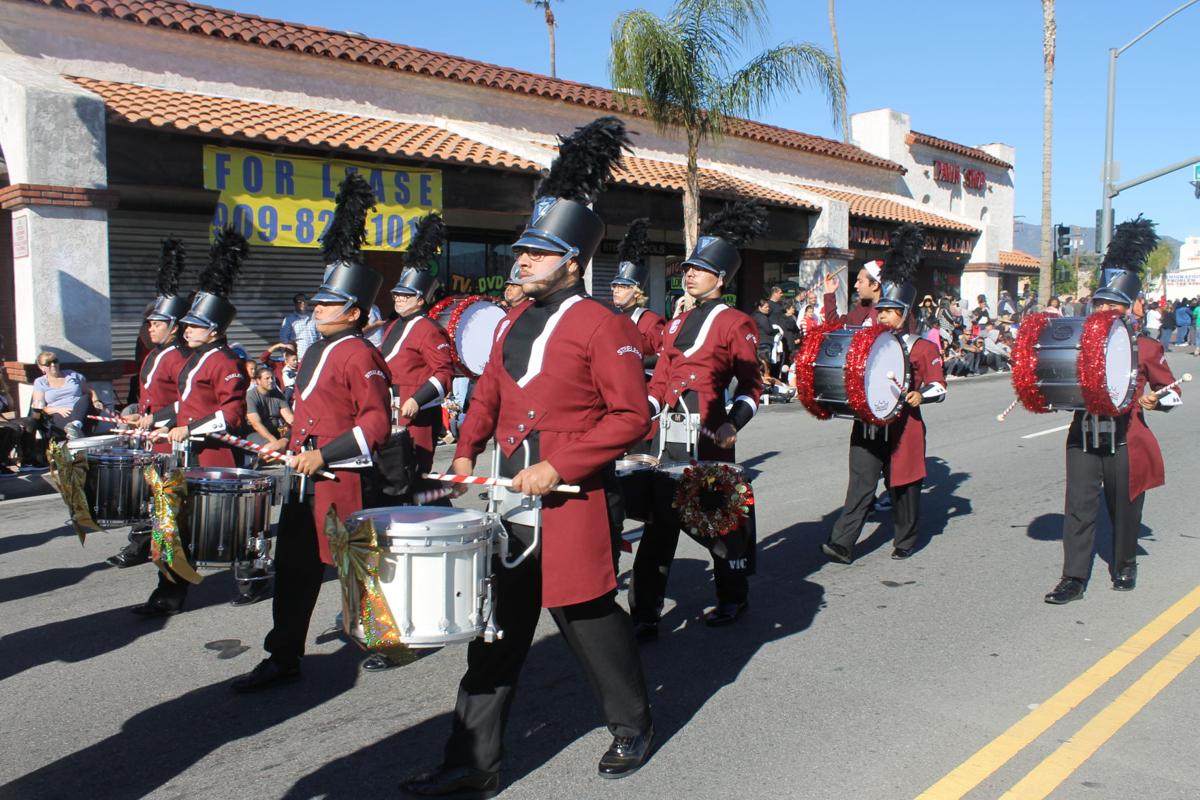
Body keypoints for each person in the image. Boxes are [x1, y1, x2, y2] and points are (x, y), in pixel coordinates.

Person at [402, 117, 654, 797]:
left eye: (538, 255)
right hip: (508, 502)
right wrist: (464, 452)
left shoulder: (603, 326)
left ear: (573, 261)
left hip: (573, 504)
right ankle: (471, 761)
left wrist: (561, 464)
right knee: (493, 635)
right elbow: (488, 391)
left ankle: (632, 723)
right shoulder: (512, 319)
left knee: (589, 624)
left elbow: (636, 416)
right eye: (522, 251)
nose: (522, 262)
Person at [232, 173, 393, 690]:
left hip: (340, 479)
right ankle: (283, 655)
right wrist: (286, 441)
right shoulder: (320, 348)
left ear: (353, 311)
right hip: (303, 479)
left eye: (327, 303)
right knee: (295, 569)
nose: (316, 308)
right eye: (318, 302)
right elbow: (312, 411)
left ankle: (383, 639)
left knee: (353, 568)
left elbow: (376, 422)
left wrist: (324, 455)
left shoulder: (360, 351)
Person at [630, 200, 767, 636]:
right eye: (687, 267)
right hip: (664, 441)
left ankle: (733, 597)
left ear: (720, 278)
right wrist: (641, 416)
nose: (689, 273)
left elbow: (751, 387)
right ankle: (645, 614)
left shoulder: (737, 323)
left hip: (710, 436)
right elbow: (659, 383)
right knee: (657, 530)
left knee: (717, 528)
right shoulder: (673, 323)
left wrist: (733, 425)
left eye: (700, 268)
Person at [1045, 218, 1181, 603]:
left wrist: (1159, 399)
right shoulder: (1076, 342)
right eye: (1100, 302)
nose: (1105, 309)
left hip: (1127, 436)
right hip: (1084, 432)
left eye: (1113, 304)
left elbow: (1171, 392)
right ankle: (1072, 578)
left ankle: (1124, 564)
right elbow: (1056, 377)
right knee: (1078, 507)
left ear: (1128, 308)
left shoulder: (1148, 347)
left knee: (1125, 506)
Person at [134, 227, 254, 614]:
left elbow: (232, 415)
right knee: (176, 526)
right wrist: (155, 421)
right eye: (184, 326)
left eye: (193, 326)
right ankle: (168, 593)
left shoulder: (227, 361)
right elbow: (183, 404)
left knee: (228, 530)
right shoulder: (196, 357)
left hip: (216, 456)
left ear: (214, 330)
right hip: (188, 455)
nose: (186, 330)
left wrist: (189, 428)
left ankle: (253, 573)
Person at [822, 224, 946, 564]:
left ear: (904, 314)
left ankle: (905, 538)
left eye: (891, 312)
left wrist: (922, 395)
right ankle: (842, 542)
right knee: (861, 484)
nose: (884, 316)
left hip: (904, 427)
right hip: (867, 423)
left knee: (903, 486)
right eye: (882, 311)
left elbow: (939, 384)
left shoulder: (921, 347)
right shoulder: (868, 343)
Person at [107, 239, 193, 569]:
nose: (149, 328)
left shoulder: (181, 358)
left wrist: (155, 419)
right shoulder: (154, 354)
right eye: (149, 322)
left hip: (171, 439)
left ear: (174, 327)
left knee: (163, 501)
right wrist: (137, 417)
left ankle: (159, 554)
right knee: (150, 497)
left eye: (156, 323)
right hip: (151, 437)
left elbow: (187, 403)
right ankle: (142, 544)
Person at [377, 212, 455, 531]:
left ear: (420, 299)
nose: (397, 298)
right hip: (390, 413)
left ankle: (439, 522)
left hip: (416, 415)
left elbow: (444, 373)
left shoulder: (428, 329)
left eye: (404, 295)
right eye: (396, 294)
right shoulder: (393, 325)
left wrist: (418, 399)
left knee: (416, 476)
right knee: (396, 477)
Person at [610, 217, 666, 378]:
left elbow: (664, 355)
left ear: (636, 291)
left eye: (623, 287)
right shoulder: (609, 314)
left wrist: (635, 362)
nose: (616, 290)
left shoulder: (651, 321)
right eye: (615, 285)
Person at [25, 352, 103, 442]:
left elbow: (90, 391)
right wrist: (58, 409)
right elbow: (39, 408)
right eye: (48, 363)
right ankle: (75, 430)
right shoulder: (40, 382)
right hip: (58, 414)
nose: (53, 365)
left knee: (85, 398)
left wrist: (96, 401)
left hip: (79, 410)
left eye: (55, 361)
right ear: (41, 367)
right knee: (68, 424)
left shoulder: (72, 375)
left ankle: (75, 425)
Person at [245, 365, 293, 454]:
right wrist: (275, 441)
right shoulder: (251, 396)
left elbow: (289, 417)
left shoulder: (278, 394)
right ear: (258, 381)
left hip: (275, 431)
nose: (271, 381)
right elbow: (256, 424)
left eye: (272, 378)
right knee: (272, 448)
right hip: (255, 433)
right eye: (267, 378)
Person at [823, 259, 882, 326]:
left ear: (875, 285)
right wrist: (829, 293)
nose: (855, 285)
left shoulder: (889, 311)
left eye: (860, 281)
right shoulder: (863, 308)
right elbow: (835, 325)